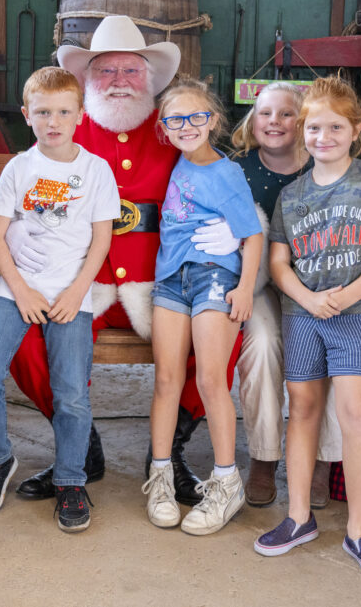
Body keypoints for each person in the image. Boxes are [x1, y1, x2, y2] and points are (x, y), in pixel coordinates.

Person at [0, 16, 243, 505]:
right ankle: (80, 450)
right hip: (81, 280)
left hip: (164, 279)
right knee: (25, 343)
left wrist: (233, 226)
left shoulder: (175, 129)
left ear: (150, 79)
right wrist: (16, 229)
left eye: (131, 70)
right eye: (106, 72)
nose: (120, 82)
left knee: (225, 335)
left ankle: (170, 453)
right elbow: (27, 189)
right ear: (85, 82)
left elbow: (215, 180)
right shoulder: (66, 126)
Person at [253, 76, 361, 583]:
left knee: (355, 413)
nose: (323, 137)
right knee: (301, 409)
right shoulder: (292, 197)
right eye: (314, 128)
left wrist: (350, 293)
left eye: (335, 127)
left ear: (355, 130)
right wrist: (308, 297)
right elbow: (279, 264)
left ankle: (359, 531)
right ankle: (299, 517)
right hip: (304, 315)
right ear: (303, 132)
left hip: (357, 314)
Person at [0, 67, 120, 533]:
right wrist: (20, 287)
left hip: (72, 295)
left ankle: (71, 479)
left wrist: (77, 292)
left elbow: (101, 241)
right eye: (43, 112)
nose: (53, 121)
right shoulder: (20, 168)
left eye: (63, 112)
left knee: (71, 392)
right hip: (18, 289)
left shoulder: (95, 170)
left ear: (79, 115)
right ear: (28, 115)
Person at [143, 79, 263, 535]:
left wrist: (246, 287)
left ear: (212, 120)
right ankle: (160, 479)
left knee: (212, 379)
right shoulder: (175, 161)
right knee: (166, 380)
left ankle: (227, 481)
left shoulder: (226, 172)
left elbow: (252, 234)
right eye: (176, 119)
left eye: (197, 116)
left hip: (215, 276)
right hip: (171, 279)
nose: (187, 125)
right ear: (165, 128)